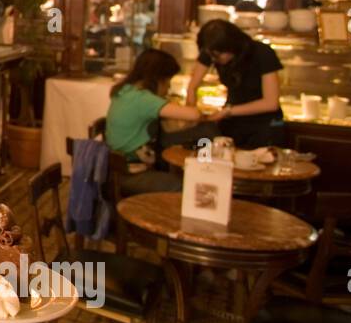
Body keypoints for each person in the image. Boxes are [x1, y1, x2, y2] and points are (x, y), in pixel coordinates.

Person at [105, 49, 216, 193]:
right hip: (130, 173)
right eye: (168, 81)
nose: (169, 87)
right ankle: (207, 172)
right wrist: (190, 92)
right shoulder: (143, 99)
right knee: (185, 184)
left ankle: (203, 169)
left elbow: (170, 127)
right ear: (157, 78)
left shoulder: (125, 90)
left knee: (201, 132)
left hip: (119, 168)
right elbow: (194, 114)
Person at [186, 19, 286, 149]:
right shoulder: (212, 52)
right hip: (233, 123)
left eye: (217, 55)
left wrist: (227, 111)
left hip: (264, 126)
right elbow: (192, 87)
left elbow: (271, 103)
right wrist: (191, 110)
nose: (213, 60)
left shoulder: (261, 53)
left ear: (231, 46)